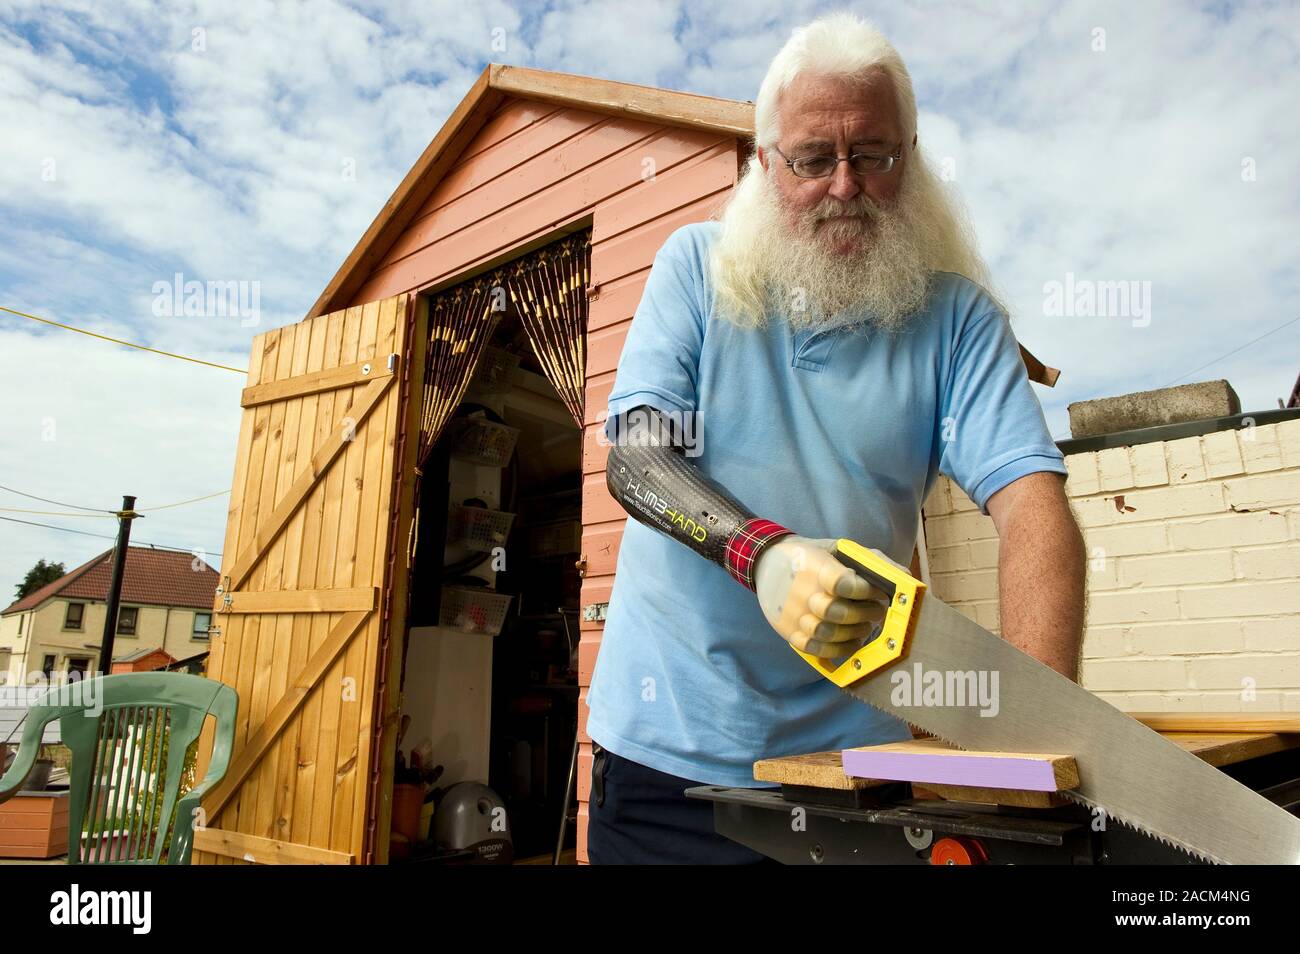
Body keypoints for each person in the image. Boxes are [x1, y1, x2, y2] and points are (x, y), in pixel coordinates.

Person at [585, 11, 1086, 865]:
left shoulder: (957, 320)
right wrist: (762, 553)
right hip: (668, 763)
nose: (845, 187)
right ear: (764, 164)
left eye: (875, 157)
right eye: (814, 160)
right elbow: (638, 455)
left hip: (852, 773)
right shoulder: (693, 269)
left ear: (912, 159)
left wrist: (1032, 758)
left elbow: (1033, 510)